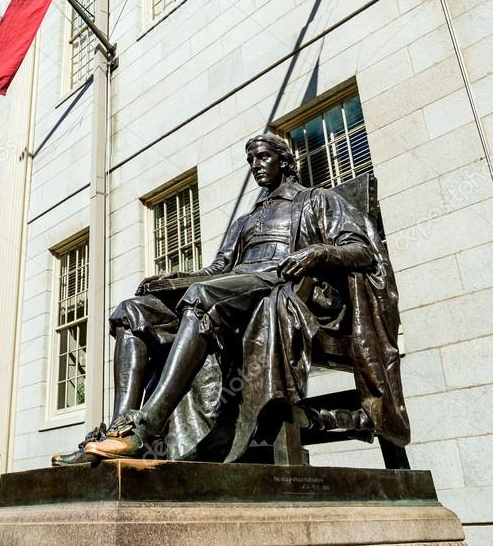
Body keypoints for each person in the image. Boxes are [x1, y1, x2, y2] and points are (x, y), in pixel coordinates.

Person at [52, 132, 409, 466]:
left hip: (283, 287)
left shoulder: (316, 201)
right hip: (235, 291)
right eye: (251, 159)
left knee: (201, 297)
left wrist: (316, 253)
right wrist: (173, 278)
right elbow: (217, 270)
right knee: (131, 312)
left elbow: (362, 249)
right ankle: (120, 430)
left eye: (263, 157)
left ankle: (148, 426)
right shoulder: (245, 222)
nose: (255, 165)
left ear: (284, 161)